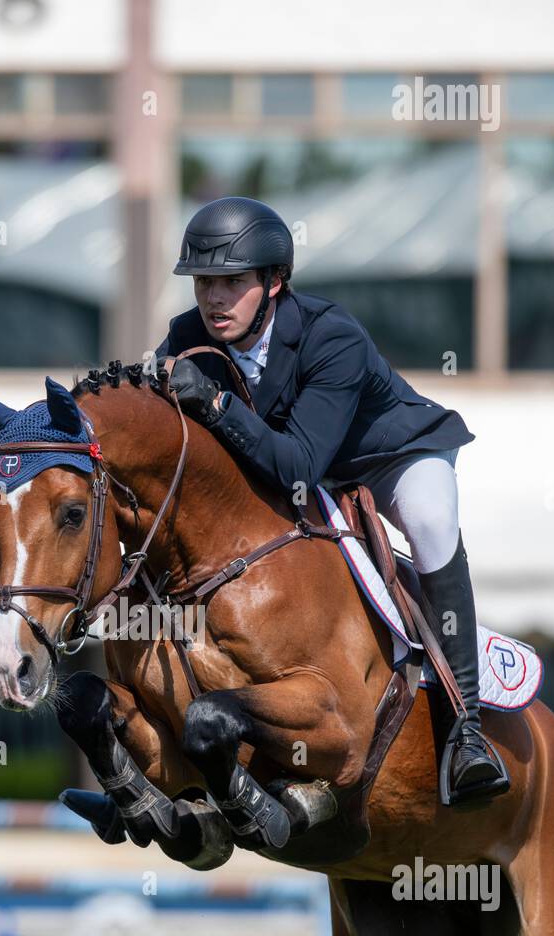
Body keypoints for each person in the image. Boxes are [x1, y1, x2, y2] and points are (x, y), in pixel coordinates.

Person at [157, 195, 508, 808]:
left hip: (389, 458)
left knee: (429, 521)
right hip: (301, 462)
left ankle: (467, 731)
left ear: (274, 282)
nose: (214, 298)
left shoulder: (332, 336)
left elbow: (295, 468)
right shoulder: (188, 337)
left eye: (232, 281)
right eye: (205, 282)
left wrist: (214, 407)